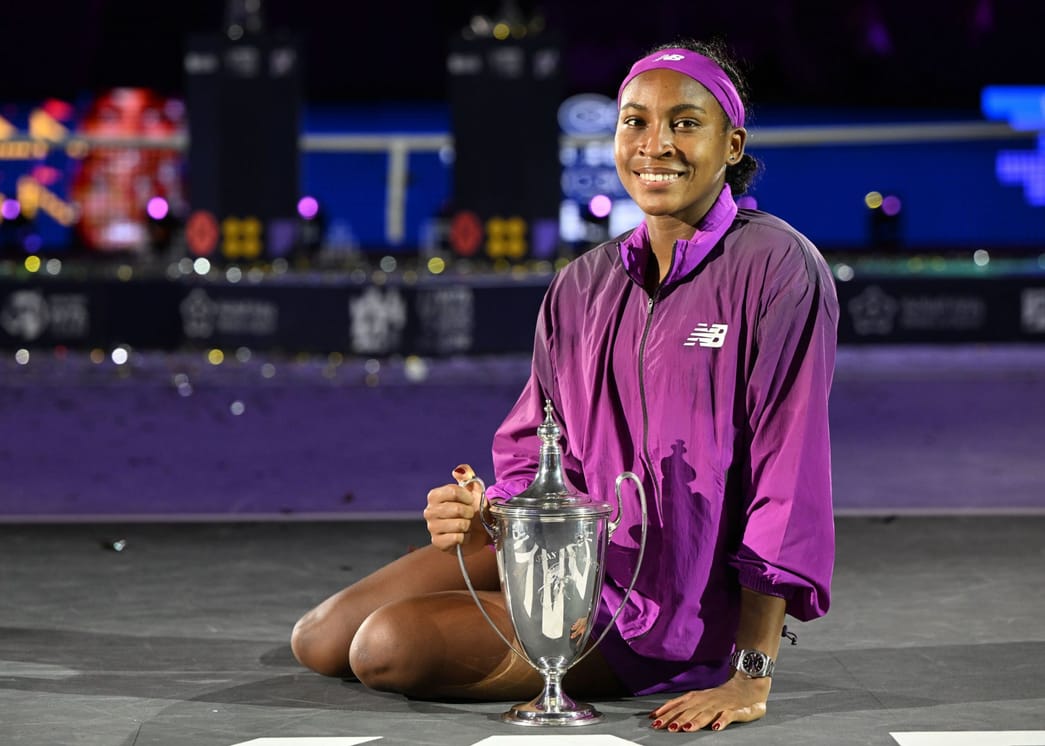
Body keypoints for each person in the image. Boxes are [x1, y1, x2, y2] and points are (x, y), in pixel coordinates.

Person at [291, 37, 838, 734]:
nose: (655, 143)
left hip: (666, 614)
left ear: (731, 145)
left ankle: (674, 657)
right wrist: (487, 513)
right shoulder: (583, 283)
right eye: (635, 121)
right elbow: (531, 450)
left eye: (684, 123)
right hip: (566, 556)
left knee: (387, 645)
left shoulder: (778, 268)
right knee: (319, 638)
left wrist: (748, 672)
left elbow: (787, 480)